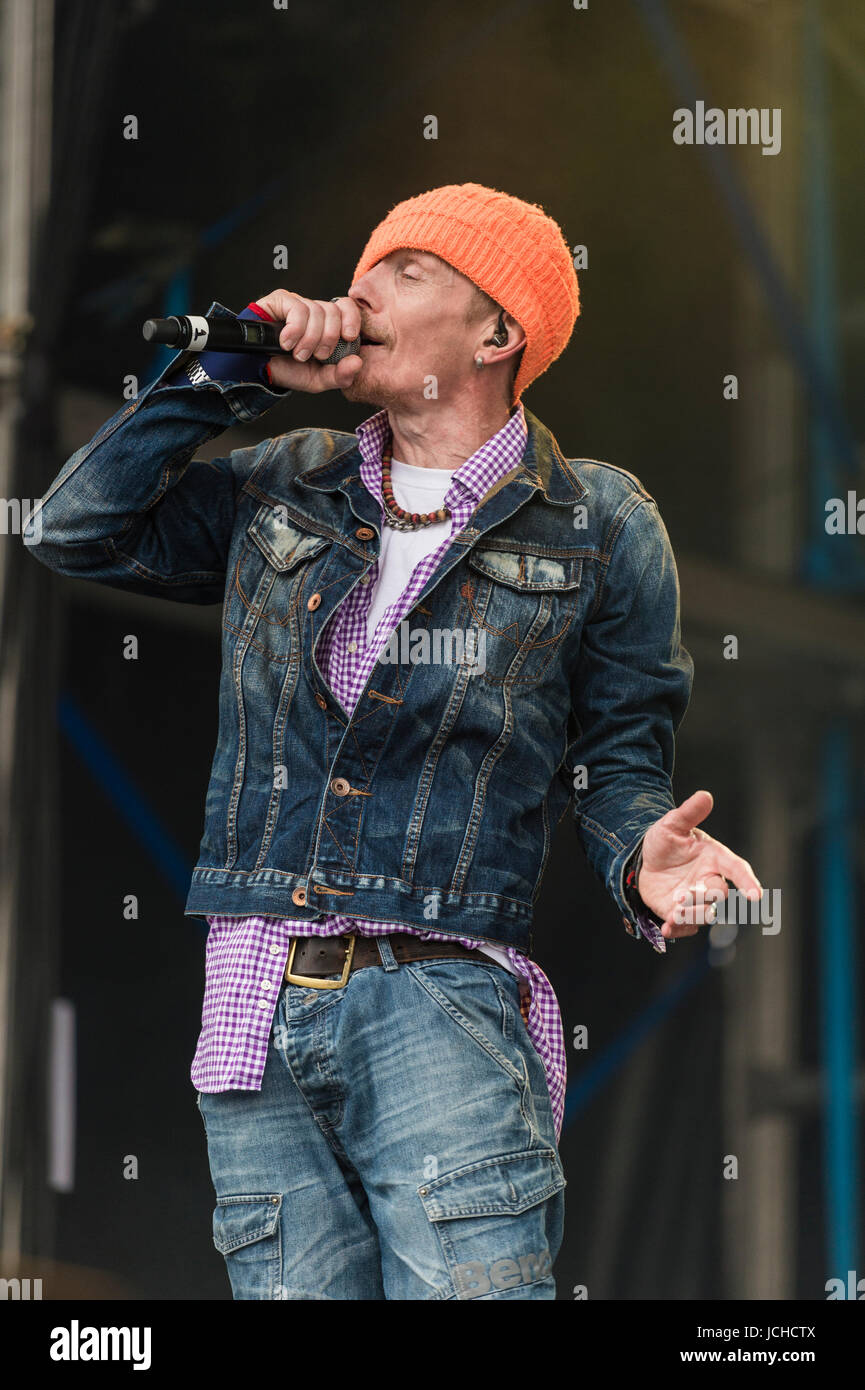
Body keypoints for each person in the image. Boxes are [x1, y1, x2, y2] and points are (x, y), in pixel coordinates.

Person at [27, 182, 761, 1300]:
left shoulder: (598, 520)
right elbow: (75, 528)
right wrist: (224, 377)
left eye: (407, 271)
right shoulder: (286, 482)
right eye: (364, 268)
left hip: (436, 1001)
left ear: (497, 332)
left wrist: (639, 859)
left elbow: (619, 762)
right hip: (256, 1000)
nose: (360, 289)